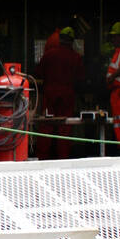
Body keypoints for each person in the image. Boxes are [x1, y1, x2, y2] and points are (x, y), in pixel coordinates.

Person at [34, 26, 83, 158]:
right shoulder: (76, 57)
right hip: (67, 95)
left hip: (50, 94)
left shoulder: (49, 55)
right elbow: (80, 78)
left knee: (46, 126)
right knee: (65, 127)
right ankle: (63, 157)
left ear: (60, 39)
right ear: (72, 41)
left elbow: (38, 73)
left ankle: (42, 157)